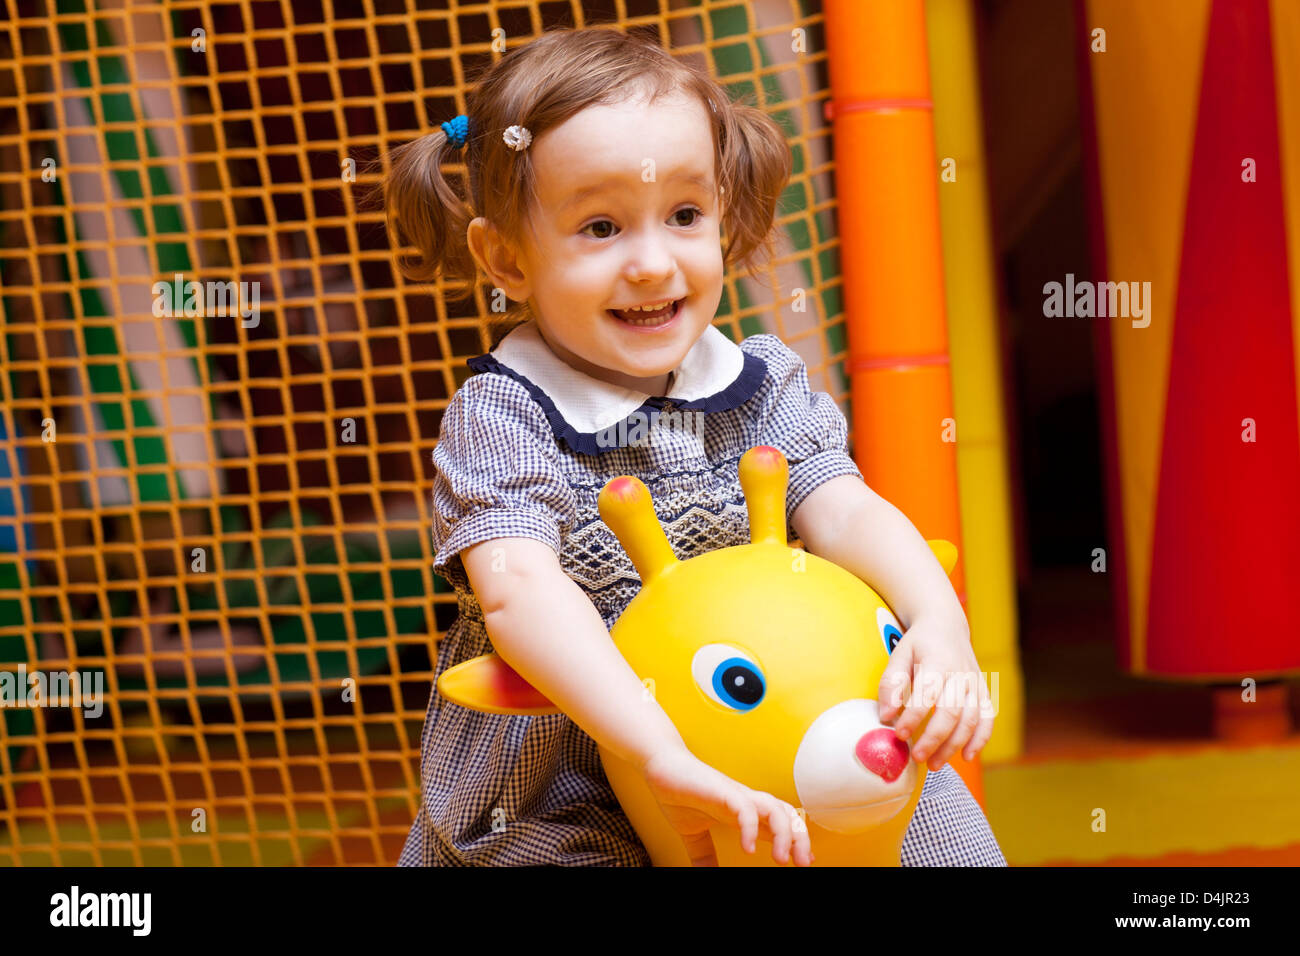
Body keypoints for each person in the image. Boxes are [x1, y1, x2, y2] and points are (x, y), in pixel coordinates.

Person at [382, 27, 1005, 867]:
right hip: (578, 775)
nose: (652, 263)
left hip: (797, 726)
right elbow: (520, 594)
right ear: (506, 256)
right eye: (600, 227)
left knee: (941, 838)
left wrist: (941, 623)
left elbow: (847, 508)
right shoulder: (503, 415)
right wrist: (659, 752)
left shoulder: (760, 383)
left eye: (684, 215)